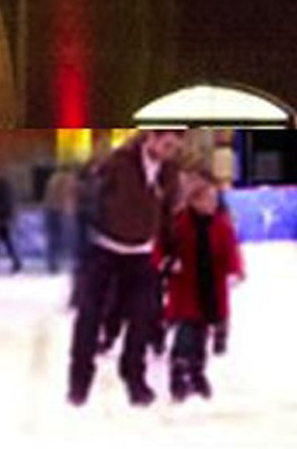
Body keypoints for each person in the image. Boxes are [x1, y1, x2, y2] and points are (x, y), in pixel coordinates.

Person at [66, 129, 182, 409]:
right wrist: (90, 232)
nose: (169, 152)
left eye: (175, 148)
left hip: (141, 255)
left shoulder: (170, 171)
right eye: (167, 144)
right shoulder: (118, 162)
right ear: (150, 138)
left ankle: (134, 378)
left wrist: (171, 250)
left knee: (142, 319)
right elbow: (87, 198)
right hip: (103, 251)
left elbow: (168, 213)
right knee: (89, 319)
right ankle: (79, 382)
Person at [156, 174, 244, 403]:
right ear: (194, 201)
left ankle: (197, 373)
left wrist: (235, 271)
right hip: (186, 290)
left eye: (214, 199)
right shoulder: (179, 224)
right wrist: (166, 263)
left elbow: (232, 252)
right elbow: (160, 247)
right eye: (208, 199)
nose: (213, 204)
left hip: (211, 292)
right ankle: (178, 373)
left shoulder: (222, 225)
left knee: (201, 337)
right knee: (185, 335)